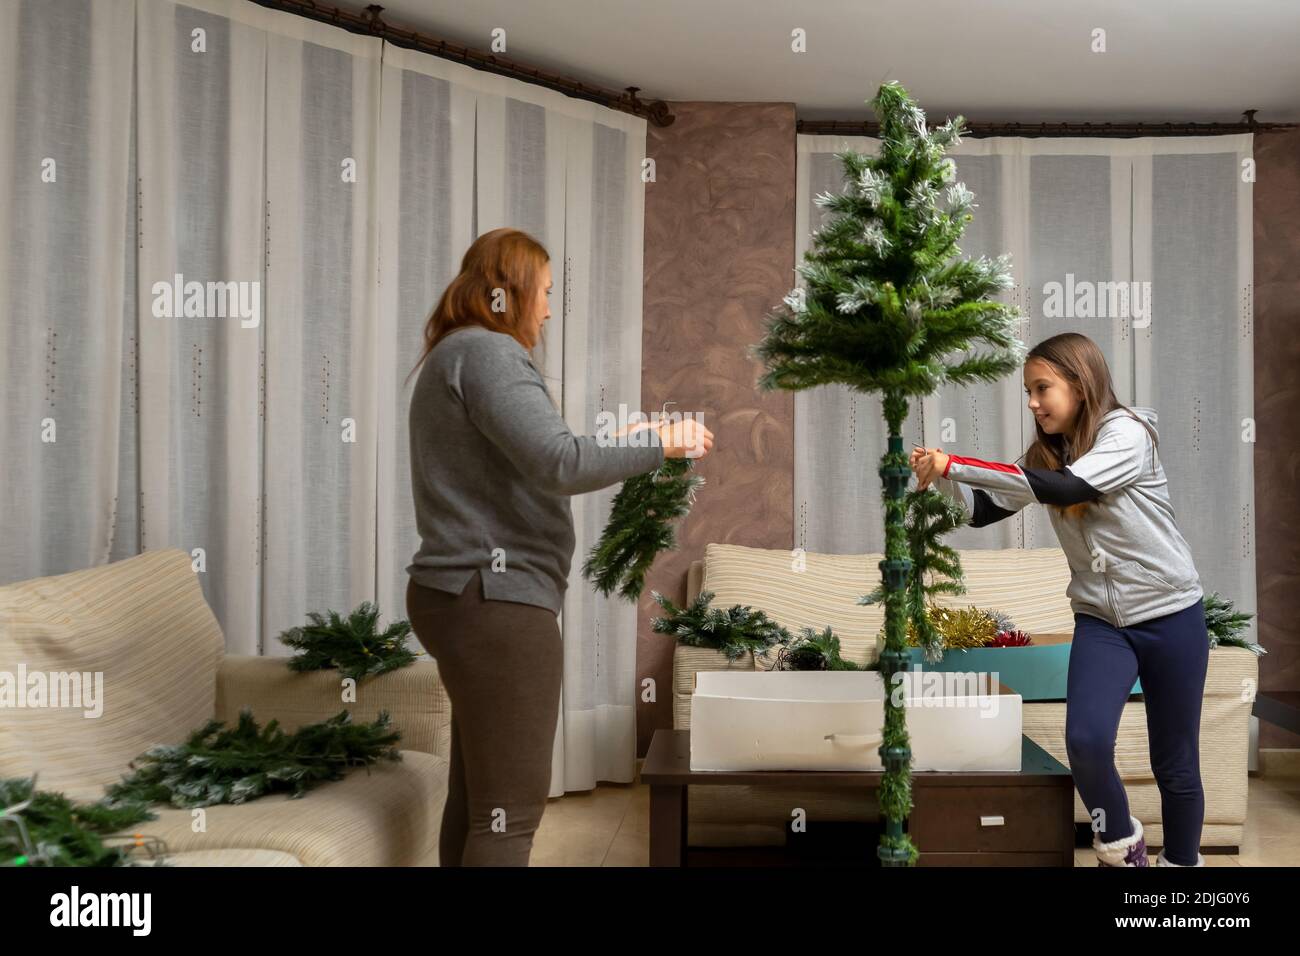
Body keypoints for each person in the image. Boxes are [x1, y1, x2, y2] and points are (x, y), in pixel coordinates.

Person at [403, 227, 713, 866]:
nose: (547, 309)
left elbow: (536, 458)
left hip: (461, 595)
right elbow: (559, 463)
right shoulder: (488, 352)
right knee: (509, 815)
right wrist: (663, 442)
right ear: (510, 291)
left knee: (480, 801)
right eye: (544, 292)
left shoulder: (458, 353)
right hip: (496, 601)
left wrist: (626, 440)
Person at [910, 331, 1208, 868]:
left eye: (1042, 388)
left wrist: (955, 463)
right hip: (1102, 621)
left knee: (1175, 760)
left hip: (1172, 615)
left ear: (1080, 382)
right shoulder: (1047, 454)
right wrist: (941, 476)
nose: (1032, 402)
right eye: (1028, 391)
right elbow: (980, 511)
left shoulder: (1127, 434)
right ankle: (1124, 850)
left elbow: (1071, 488)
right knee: (1087, 741)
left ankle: (1182, 871)